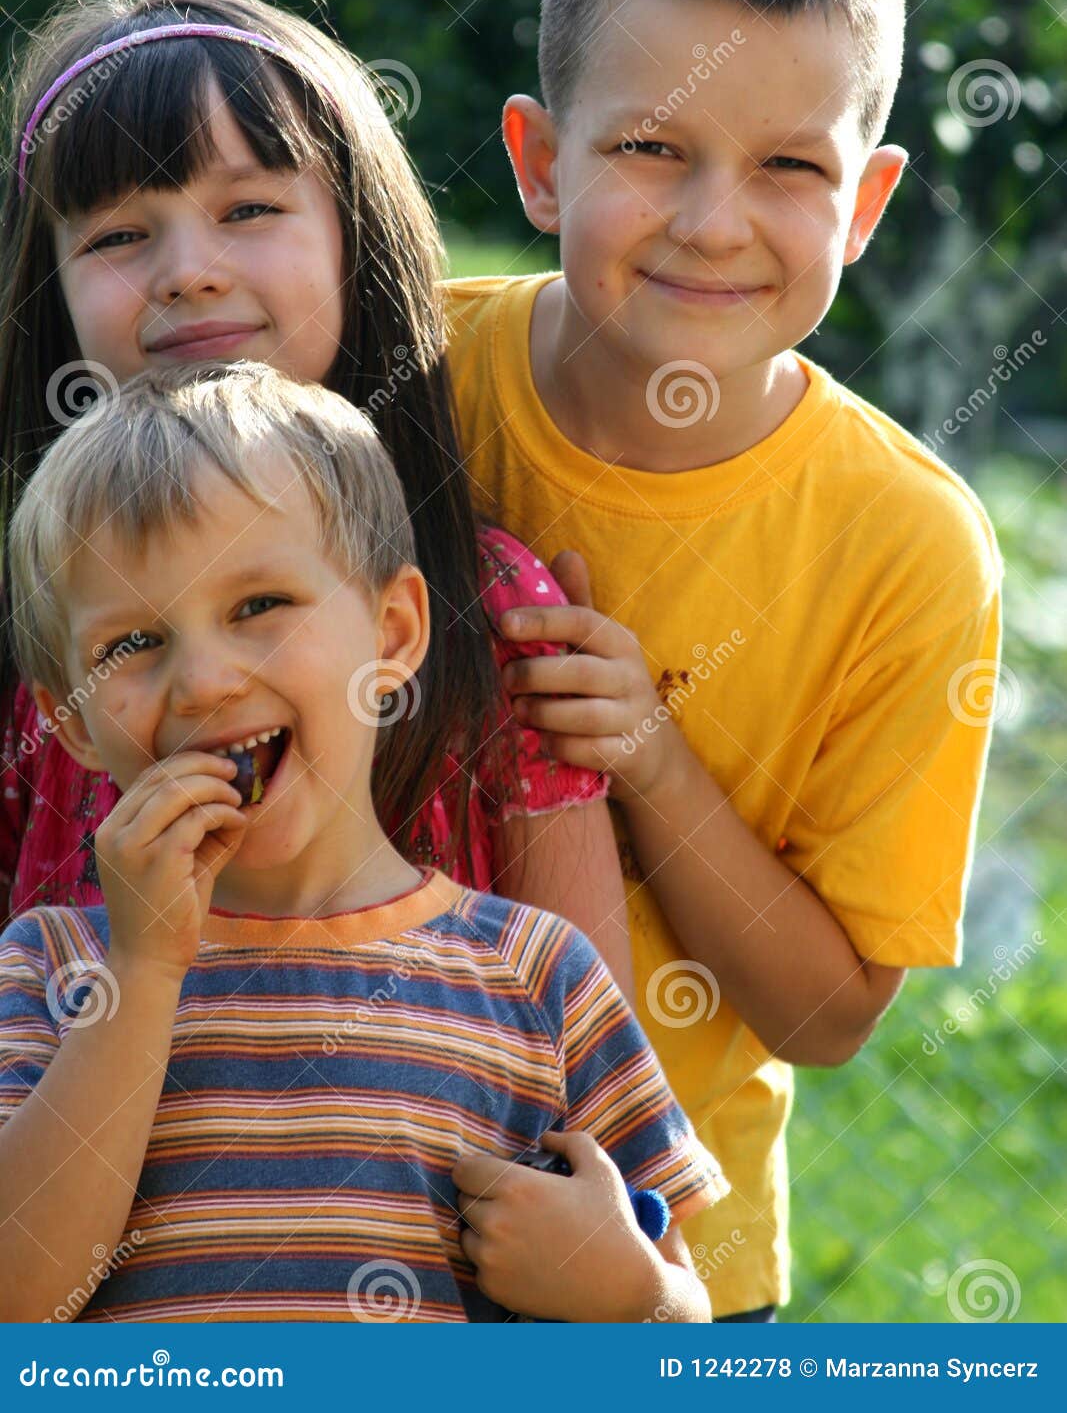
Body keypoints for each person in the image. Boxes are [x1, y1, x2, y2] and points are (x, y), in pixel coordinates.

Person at [442, 0, 1004, 1321]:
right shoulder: (400, 377)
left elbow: (826, 1014)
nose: (710, 222)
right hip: (325, 1190)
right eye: (649, 149)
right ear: (538, 162)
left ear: (863, 205)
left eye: (787, 168)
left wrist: (645, 752)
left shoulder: (906, 542)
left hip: (667, 1256)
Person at [0, 361, 726, 1323]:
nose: (205, 681)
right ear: (71, 719)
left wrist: (630, 1295)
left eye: (258, 606)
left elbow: (684, 1341)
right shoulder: (49, 970)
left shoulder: (538, 974)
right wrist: (141, 973)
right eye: (131, 645)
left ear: (391, 634)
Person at [0, 0, 632, 994]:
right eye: (116, 235)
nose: (187, 271)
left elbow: (592, 1032)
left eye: (249, 207)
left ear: (356, 237)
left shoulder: (488, 609)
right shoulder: (34, 633)